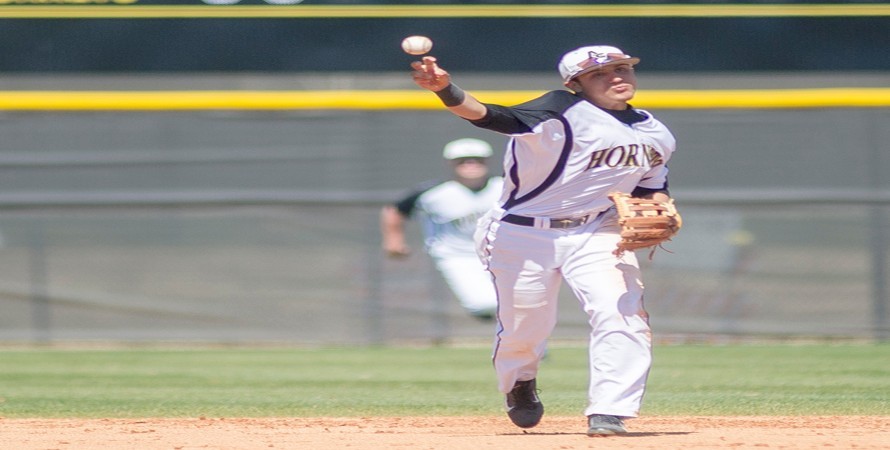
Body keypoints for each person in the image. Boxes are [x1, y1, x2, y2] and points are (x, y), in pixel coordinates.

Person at [409, 45, 677, 436]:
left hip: (596, 231)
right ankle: (519, 382)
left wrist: (658, 206)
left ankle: (609, 411)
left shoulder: (654, 132)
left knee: (621, 311)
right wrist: (445, 90)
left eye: (622, 68)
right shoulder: (560, 109)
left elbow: (653, 186)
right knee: (525, 327)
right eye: (600, 73)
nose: (617, 77)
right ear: (576, 84)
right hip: (522, 232)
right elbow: (491, 116)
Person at [380, 138, 503, 320]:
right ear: (451, 163)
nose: (470, 164)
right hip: (457, 256)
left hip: (504, 253)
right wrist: (393, 240)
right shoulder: (433, 192)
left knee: (525, 301)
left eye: (477, 159)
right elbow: (395, 210)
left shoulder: (506, 187)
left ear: (487, 161)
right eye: (463, 160)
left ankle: (527, 345)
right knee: (485, 304)